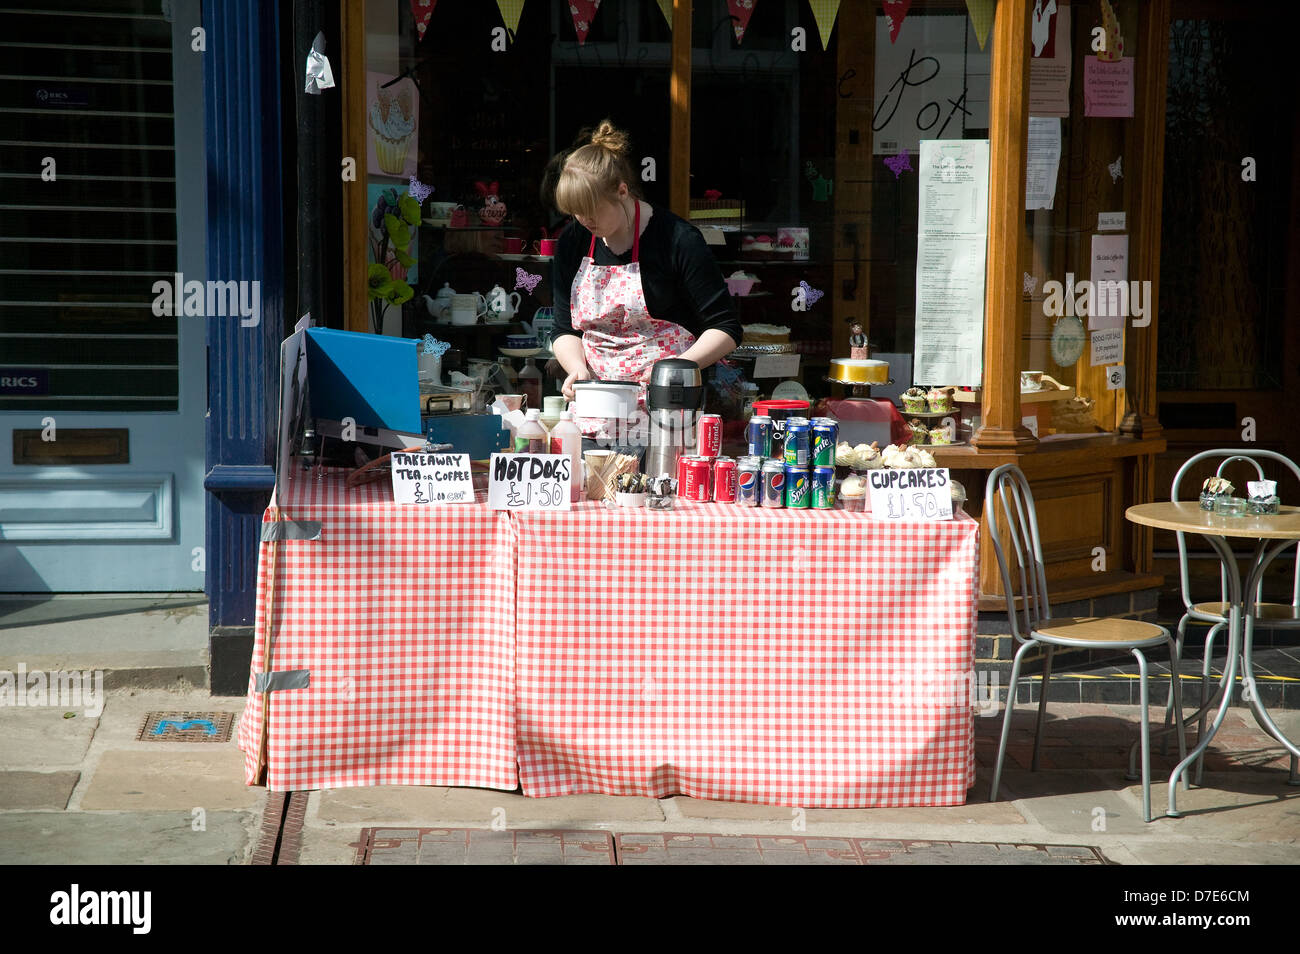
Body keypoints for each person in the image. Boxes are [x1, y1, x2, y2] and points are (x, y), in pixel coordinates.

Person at [546, 120, 742, 446]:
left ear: (622, 190)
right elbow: (564, 330)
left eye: (591, 210)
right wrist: (577, 369)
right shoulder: (573, 242)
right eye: (575, 213)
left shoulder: (677, 240)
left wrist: (675, 370)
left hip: (669, 416)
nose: (584, 221)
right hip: (594, 416)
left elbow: (726, 328)